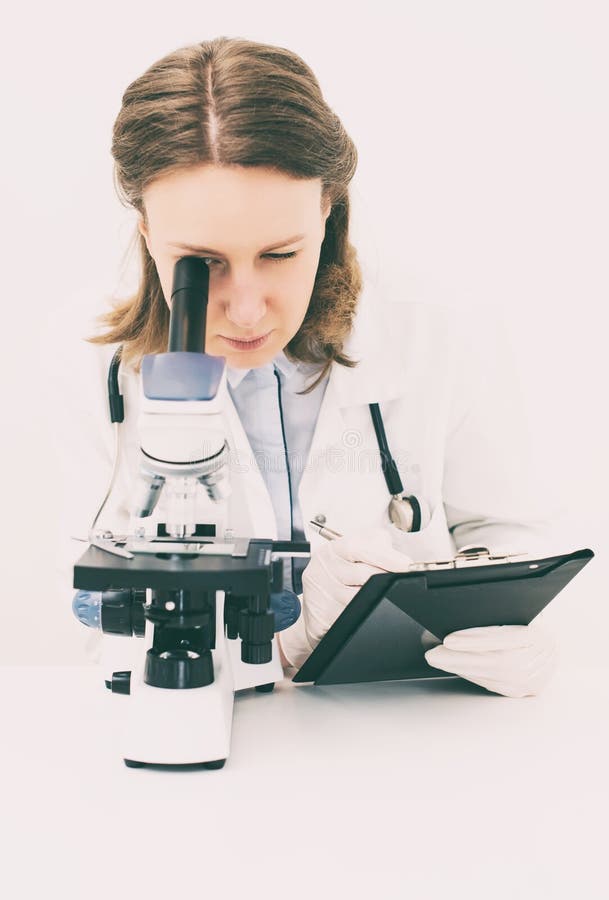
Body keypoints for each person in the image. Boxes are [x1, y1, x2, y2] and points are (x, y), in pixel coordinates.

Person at [61, 36, 558, 696]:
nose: (245, 310)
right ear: (147, 231)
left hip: (403, 723)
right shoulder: (94, 362)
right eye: (201, 263)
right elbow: (100, 624)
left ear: (327, 208)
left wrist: (513, 632)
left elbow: (511, 543)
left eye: (279, 255)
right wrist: (282, 642)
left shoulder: (442, 332)